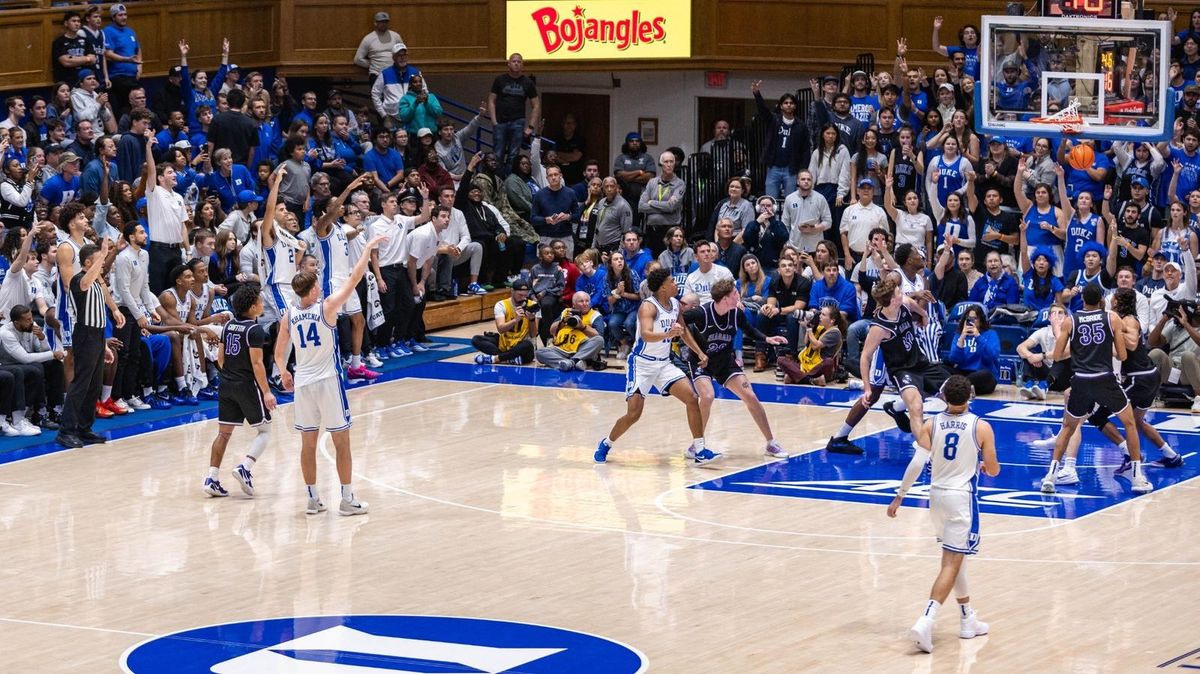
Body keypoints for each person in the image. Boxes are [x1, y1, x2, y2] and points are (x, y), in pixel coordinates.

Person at [274, 232, 386, 516]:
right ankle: (347, 499)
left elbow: (278, 350)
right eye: (317, 286)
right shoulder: (327, 308)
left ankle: (312, 498)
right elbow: (354, 278)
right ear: (312, 290)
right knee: (341, 441)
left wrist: (283, 372)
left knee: (307, 443)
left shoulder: (289, 314)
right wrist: (368, 248)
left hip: (302, 383)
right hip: (327, 382)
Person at [888, 374, 997, 655]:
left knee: (954, 557)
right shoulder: (981, 426)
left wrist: (900, 495)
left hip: (935, 497)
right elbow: (994, 469)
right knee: (950, 563)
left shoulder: (931, 424)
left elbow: (916, 463)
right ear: (970, 396)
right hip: (962, 498)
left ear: (944, 397)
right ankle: (926, 620)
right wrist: (984, 466)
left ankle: (967, 618)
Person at [594, 268, 719, 466]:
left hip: (663, 365)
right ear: (662, 287)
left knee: (692, 398)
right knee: (634, 414)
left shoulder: (676, 304)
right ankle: (606, 443)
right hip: (641, 364)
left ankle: (700, 450)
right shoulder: (648, 307)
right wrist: (668, 335)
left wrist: (700, 352)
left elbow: (683, 331)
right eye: (671, 281)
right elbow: (646, 334)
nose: (675, 284)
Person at [1040, 283, 1152, 494]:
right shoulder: (1112, 318)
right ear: (1102, 300)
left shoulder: (1070, 320)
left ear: (1082, 300)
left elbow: (1056, 356)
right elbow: (1122, 355)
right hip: (1104, 379)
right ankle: (1137, 478)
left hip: (1081, 380)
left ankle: (1050, 477)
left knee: (1068, 427)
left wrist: (1078, 348)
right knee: (1129, 423)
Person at [684, 278, 790, 458]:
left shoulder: (737, 313)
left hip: (725, 361)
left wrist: (767, 339)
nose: (738, 295)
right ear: (725, 298)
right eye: (735, 293)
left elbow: (749, 329)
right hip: (702, 362)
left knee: (751, 396)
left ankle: (771, 443)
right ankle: (697, 446)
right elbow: (679, 320)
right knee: (708, 396)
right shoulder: (702, 313)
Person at [202, 284, 276, 498]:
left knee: (223, 434)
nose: (262, 304)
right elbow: (257, 364)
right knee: (264, 431)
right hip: (246, 385)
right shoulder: (255, 330)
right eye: (260, 302)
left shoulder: (229, 326)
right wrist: (267, 392)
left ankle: (212, 478)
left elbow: (220, 358)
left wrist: (230, 376)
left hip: (226, 384)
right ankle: (245, 467)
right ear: (253, 308)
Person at [859, 278, 947, 450]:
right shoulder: (879, 328)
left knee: (952, 393)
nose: (903, 293)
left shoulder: (903, 303)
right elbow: (865, 357)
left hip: (920, 362)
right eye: (899, 291)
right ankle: (926, 451)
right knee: (916, 407)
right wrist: (867, 388)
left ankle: (897, 407)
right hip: (901, 371)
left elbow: (913, 304)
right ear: (893, 300)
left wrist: (924, 314)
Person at [56, 239, 123, 449]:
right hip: (84, 335)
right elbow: (84, 284)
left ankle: (84, 428)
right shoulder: (79, 280)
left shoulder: (97, 283)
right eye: (98, 261)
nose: (102, 265)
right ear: (86, 263)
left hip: (97, 335)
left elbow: (98, 318)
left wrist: (103, 345)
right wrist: (103, 253)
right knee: (81, 384)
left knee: (94, 385)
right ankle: (66, 431)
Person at [143, 132, 190, 294]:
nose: (174, 174)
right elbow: (151, 171)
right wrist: (149, 147)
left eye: (174, 172)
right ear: (161, 178)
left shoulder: (178, 197)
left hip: (176, 250)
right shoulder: (154, 192)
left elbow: (183, 225)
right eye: (170, 172)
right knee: (158, 290)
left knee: (176, 292)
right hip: (159, 250)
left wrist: (188, 250)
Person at [489, 53, 539, 170]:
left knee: (513, 155)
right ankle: (497, 181)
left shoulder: (527, 82)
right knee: (497, 154)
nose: (516, 64)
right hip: (500, 122)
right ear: (509, 64)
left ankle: (509, 182)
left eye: (519, 62)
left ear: (522, 65)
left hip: (518, 122)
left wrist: (530, 127)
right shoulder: (500, 80)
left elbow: (536, 105)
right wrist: (494, 121)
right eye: (514, 61)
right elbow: (491, 100)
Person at [535, 290, 606, 371]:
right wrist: (563, 321)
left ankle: (570, 362)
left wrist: (582, 327)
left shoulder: (595, 315)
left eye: (587, 301)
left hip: (581, 349)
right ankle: (574, 362)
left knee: (599, 340)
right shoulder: (566, 312)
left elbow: (599, 335)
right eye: (581, 301)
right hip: (561, 349)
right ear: (574, 304)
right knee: (539, 353)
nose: (585, 304)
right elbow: (551, 330)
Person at [474, 279, 537, 366]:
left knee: (528, 345)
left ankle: (496, 359)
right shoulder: (501, 305)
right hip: (504, 343)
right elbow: (501, 329)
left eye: (525, 295)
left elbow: (533, 334)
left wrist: (532, 319)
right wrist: (515, 320)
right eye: (520, 295)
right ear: (512, 291)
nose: (523, 298)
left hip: (521, 345)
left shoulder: (533, 305)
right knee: (477, 340)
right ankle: (509, 359)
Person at [1016, 303, 1070, 400]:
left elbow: (1064, 351)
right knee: (1027, 353)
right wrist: (1031, 357)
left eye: (1060, 313)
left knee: (1061, 357)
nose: (1057, 316)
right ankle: (1029, 385)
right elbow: (1020, 347)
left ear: (1066, 317)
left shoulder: (1072, 332)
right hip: (1046, 373)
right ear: (1049, 318)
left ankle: (1045, 386)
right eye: (1054, 313)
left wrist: (1042, 356)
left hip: (1064, 378)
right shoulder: (1043, 331)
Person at [947, 304, 1000, 395]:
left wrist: (978, 337)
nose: (971, 322)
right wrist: (961, 339)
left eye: (975, 318)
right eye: (969, 319)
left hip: (982, 373)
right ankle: (964, 389)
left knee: (985, 375)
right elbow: (954, 360)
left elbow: (992, 356)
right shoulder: (959, 335)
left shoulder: (991, 334)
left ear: (981, 320)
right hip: (963, 373)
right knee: (941, 368)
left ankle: (956, 388)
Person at [354, 11, 405, 83]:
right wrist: (373, 65)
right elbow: (357, 59)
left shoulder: (396, 36)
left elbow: (403, 54)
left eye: (386, 22)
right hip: (377, 75)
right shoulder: (368, 38)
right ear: (375, 23)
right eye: (381, 22)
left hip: (395, 74)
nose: (384, 24)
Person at [613, 132, 655, 205]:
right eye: (631, 141)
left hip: (643, 195)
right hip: (624, 195)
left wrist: (627, 178)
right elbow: (619, 175)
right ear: (627, 143)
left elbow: (650, 177)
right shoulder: (620, 158)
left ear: (641, 143)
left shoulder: (648, 158)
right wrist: (638, 172)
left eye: (637, 141)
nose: (634, 143)